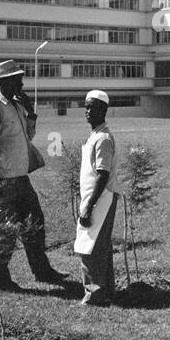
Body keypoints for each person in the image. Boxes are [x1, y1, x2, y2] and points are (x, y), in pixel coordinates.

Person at [0, 59, 67, 290]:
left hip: (21, 178)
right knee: (6, 231)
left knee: (35, 222)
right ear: (4, 82)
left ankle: (42, 271)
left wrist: (30, 112)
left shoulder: (16, 106)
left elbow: (29, 136)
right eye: (17, 79)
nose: (22, 82)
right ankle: (1, 277)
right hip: (3, 181)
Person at [76, 89, 118, 306]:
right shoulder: (95, 135)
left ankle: (94, 294)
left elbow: (103, 175)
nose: (88, 111)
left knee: (90, 247)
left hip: (100, 199)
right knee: (99, 247)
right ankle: (107, 290)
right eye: (86, 107)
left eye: (93, 107)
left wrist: (89, 206)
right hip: (95, 198)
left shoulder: (102, 139)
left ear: (104, 110)